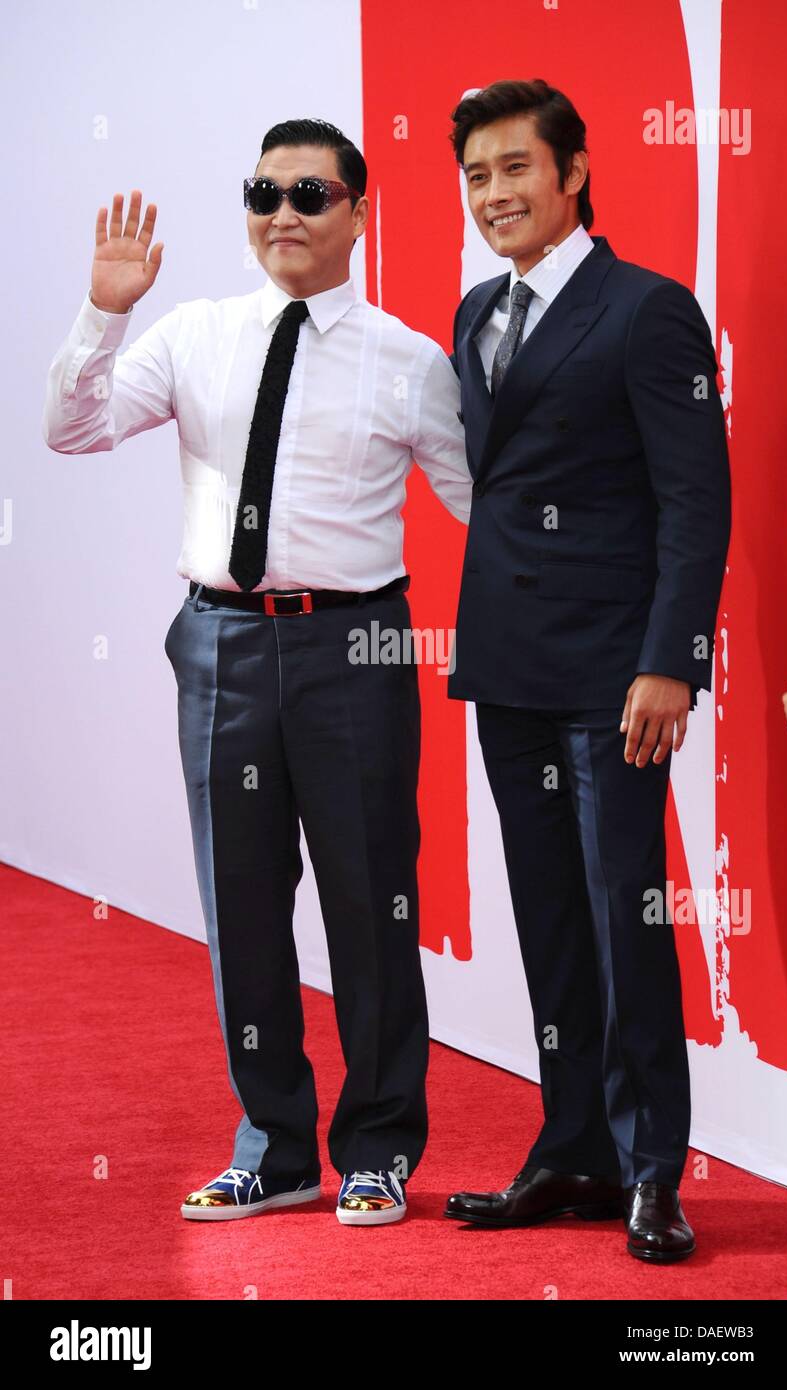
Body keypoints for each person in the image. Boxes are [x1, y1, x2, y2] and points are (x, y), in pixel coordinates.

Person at [42, 118, 472, 1226]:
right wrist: (105, 309)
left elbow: (488, 510)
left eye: (311, 194)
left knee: (370, 900)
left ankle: (378, 1144)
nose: (284, 211)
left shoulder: (411, 359)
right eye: (263, 191)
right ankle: (275, 1148)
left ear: (358, 214)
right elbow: (71, 429)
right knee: (240, 908)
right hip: (221, 643)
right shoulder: (192, 333)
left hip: (355, 649)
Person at [442, 79, 731, 1262]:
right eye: (476, 175)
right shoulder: (472, 312)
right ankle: (572, 1149)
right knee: (550, 921)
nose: (495, 193)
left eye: (516, 168)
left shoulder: (649, 311)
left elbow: (693, 501)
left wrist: (672, 661)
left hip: (617, 677)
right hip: (508, 670)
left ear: (573, 173)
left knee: (625, 919)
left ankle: (655, 1171)